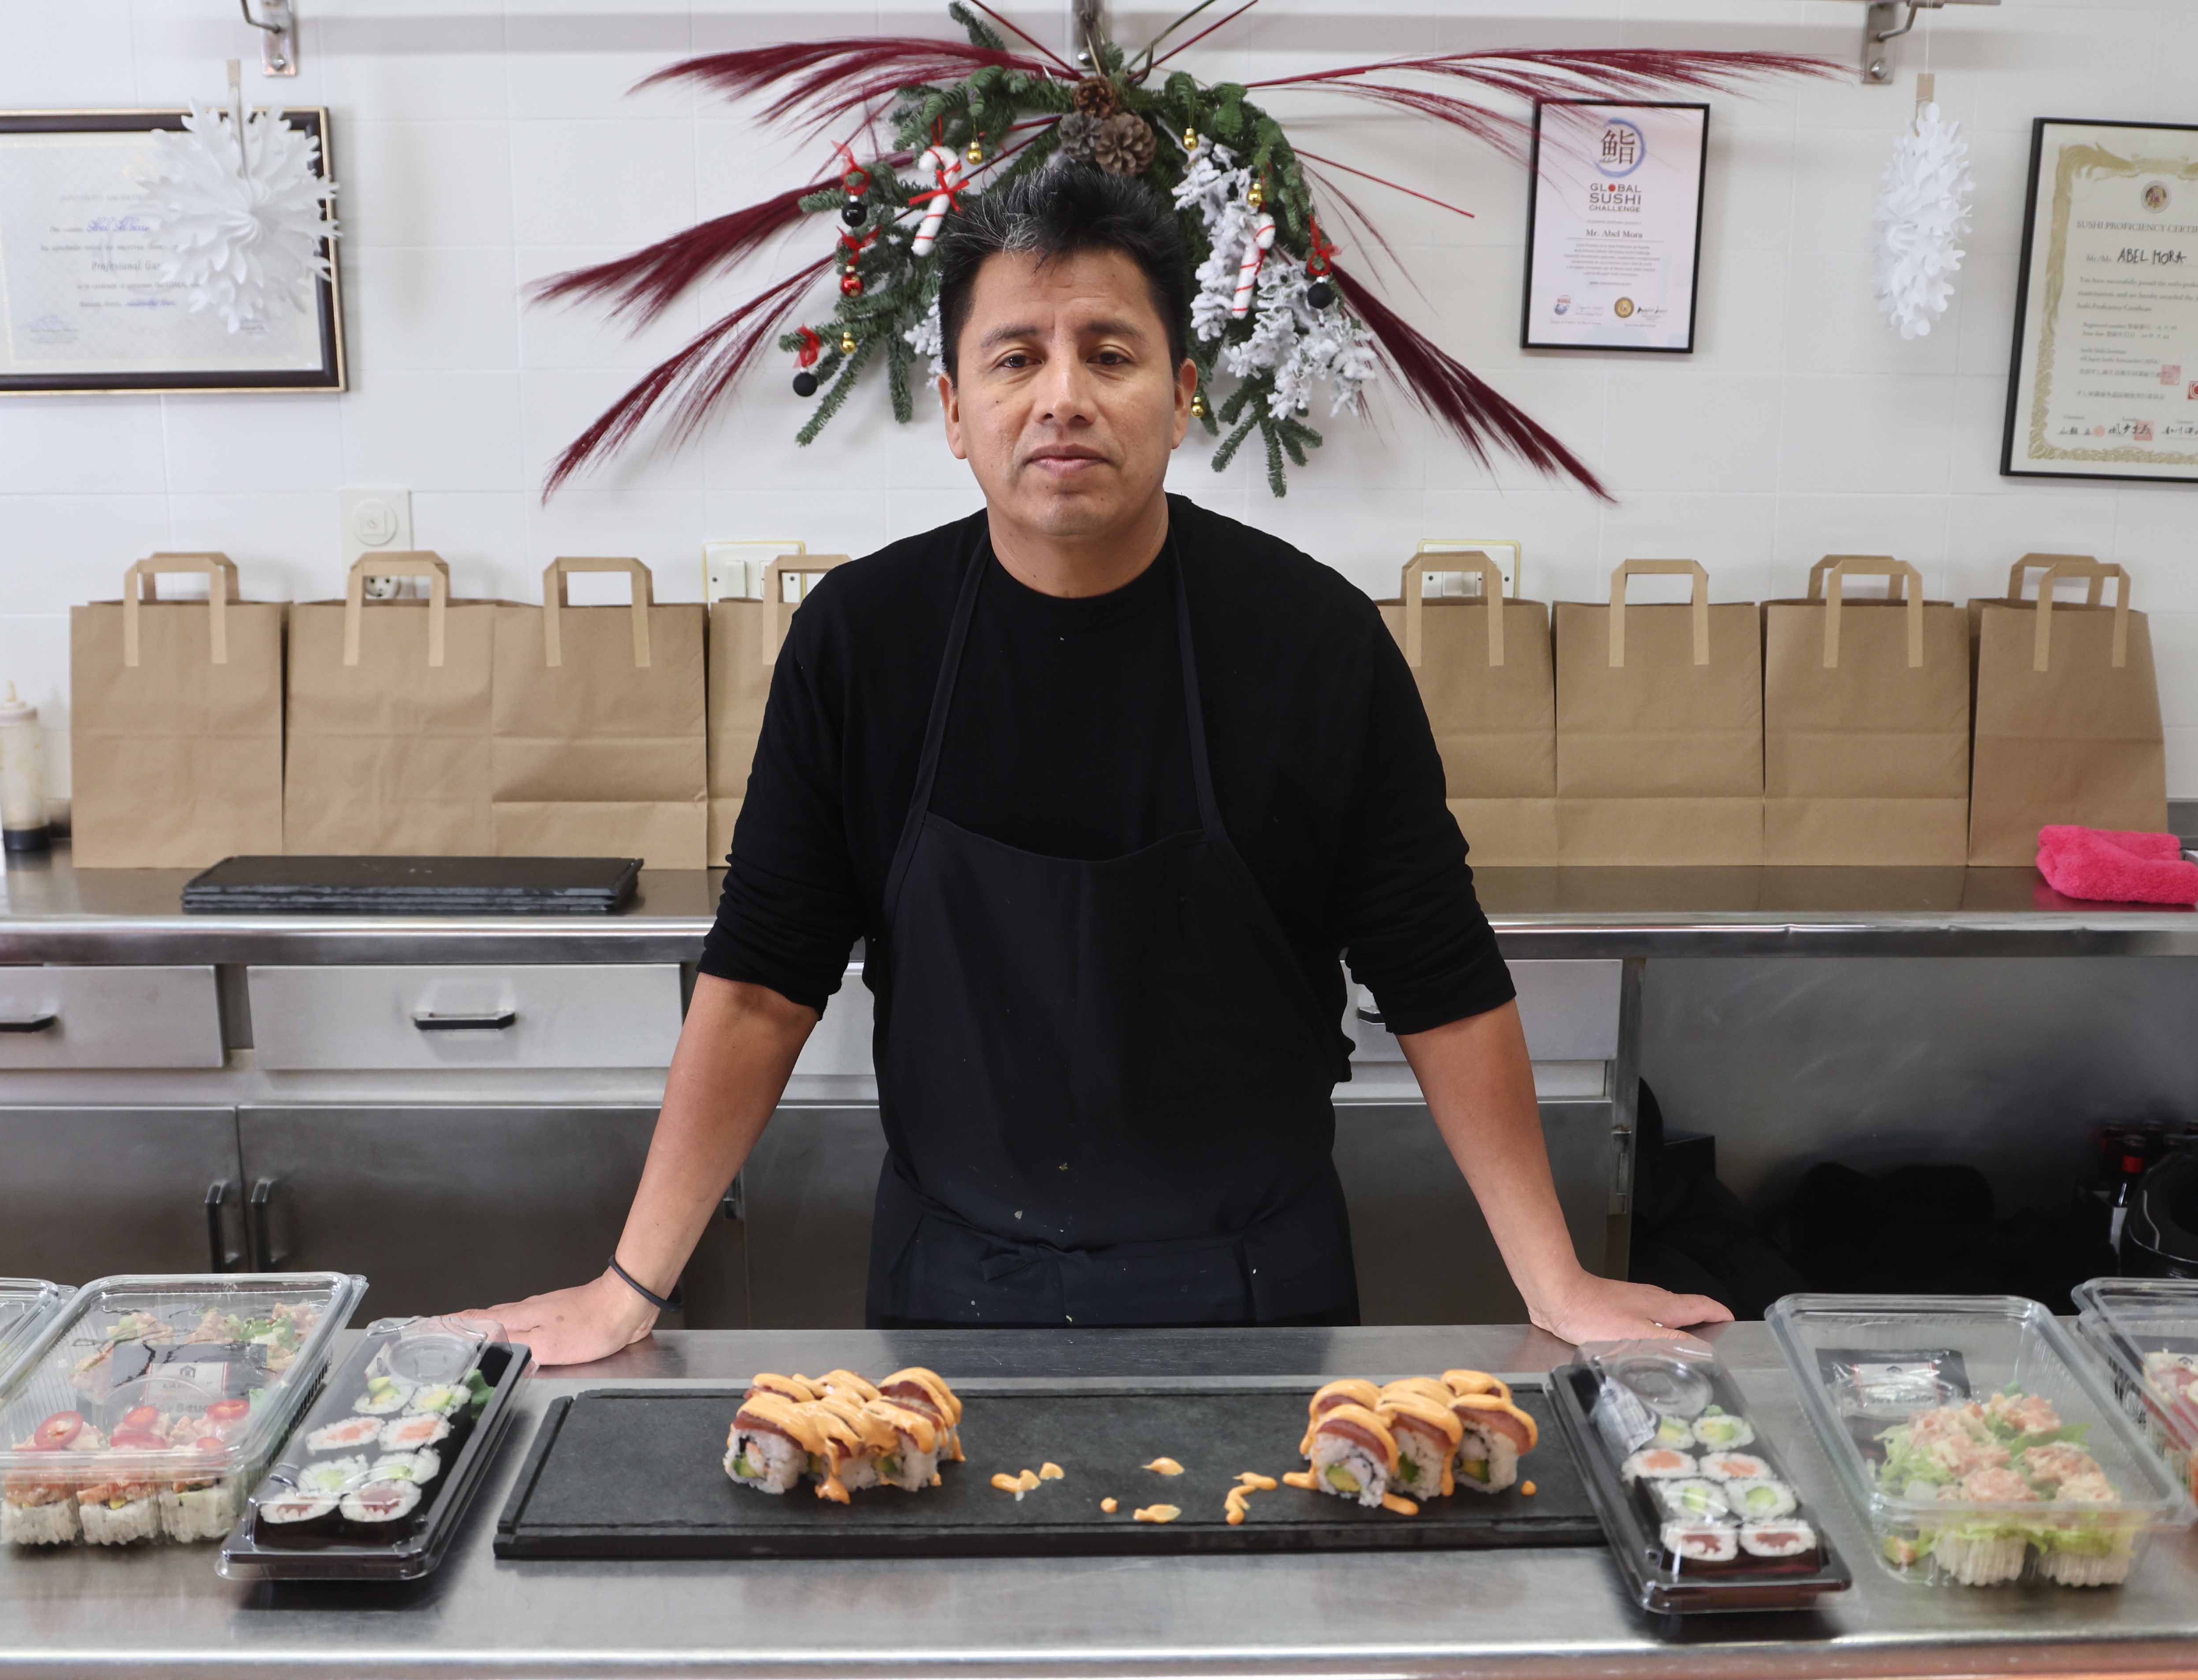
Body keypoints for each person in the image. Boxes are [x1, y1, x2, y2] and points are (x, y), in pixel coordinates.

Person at [486, 159, 1727, 1359]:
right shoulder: (863, 642)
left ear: (1184, 395)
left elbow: (1437, 974)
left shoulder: (1310, 641)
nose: (1062, 396)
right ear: (954, 409)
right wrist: (628, 1285)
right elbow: (762, 980)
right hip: (947, 1293)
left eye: (1110, 354)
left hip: (1255, 1291)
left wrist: (1555, 1282)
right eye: (1016, 358)